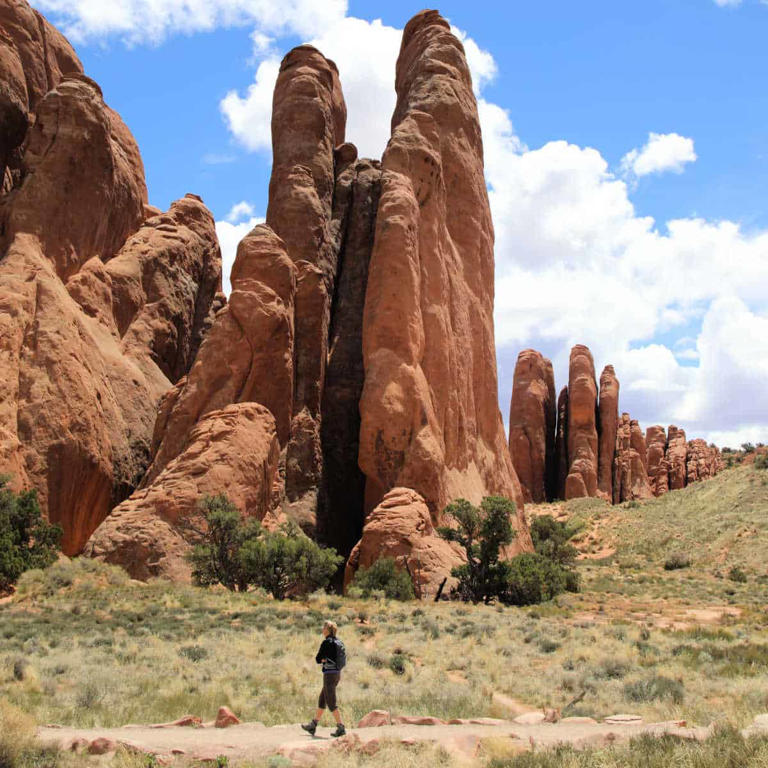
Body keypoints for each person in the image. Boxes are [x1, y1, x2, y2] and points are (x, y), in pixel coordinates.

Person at [302, 620, 346, 737]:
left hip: (329, 675)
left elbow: (318, 659)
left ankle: (341, 727)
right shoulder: (339, 642)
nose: (322, 629)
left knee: (331, 702)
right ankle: (313, 724)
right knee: (323, 699)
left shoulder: (326, 643)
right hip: (337, 674)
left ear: (328, 630)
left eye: (324, 628)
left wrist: (324, 660)